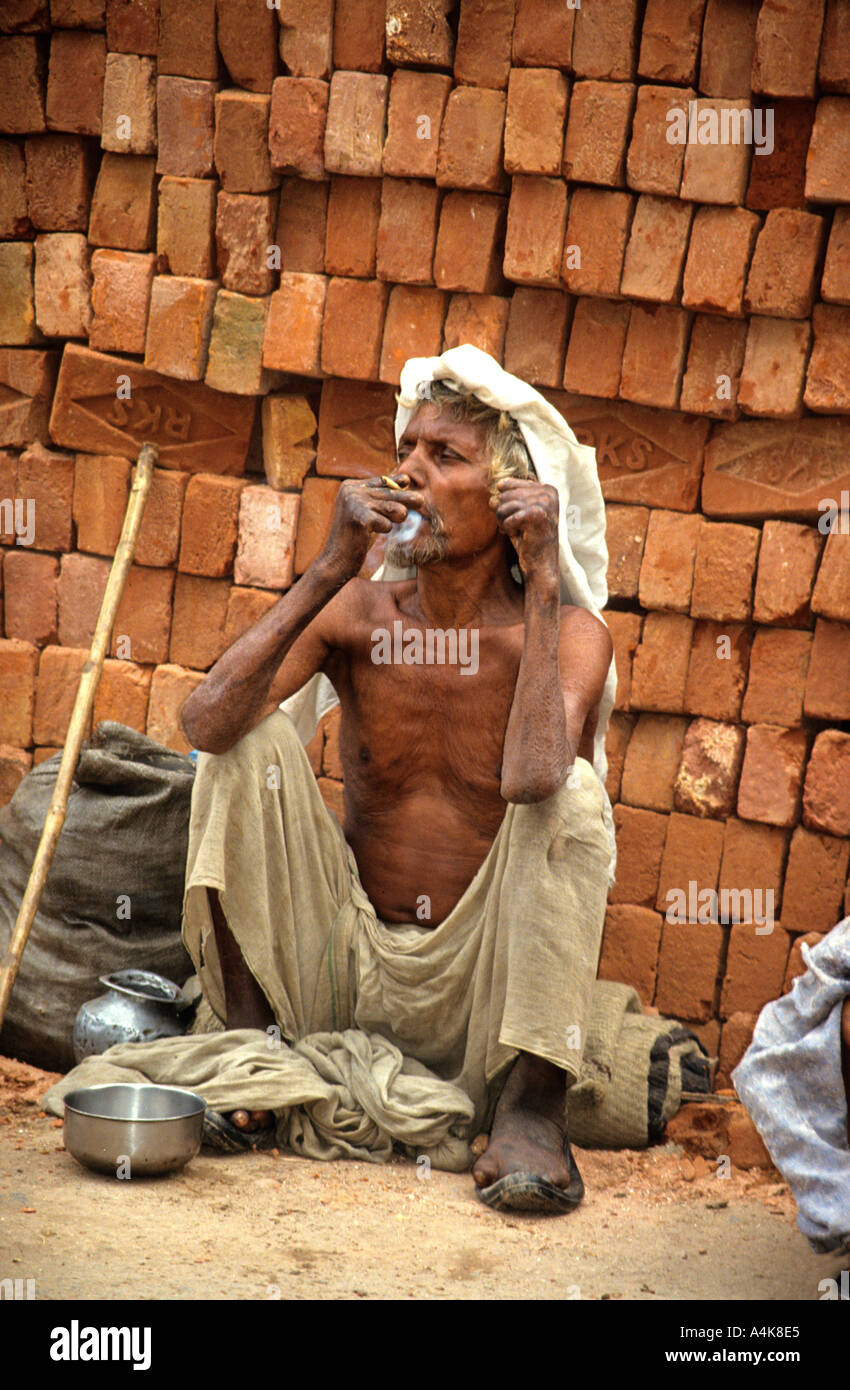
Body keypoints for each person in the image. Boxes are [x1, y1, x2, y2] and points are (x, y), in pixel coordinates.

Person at [179, 347, 616, 1213]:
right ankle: (250, 1052)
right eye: (406, 450)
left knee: (571, 796)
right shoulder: (359, 613)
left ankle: (532, 1109)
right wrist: (331, 567)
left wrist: (542, 586)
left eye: (442, 457)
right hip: (343, 966)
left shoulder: (569, 635)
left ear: (512, 500)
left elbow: (533, 778)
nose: (406, 474)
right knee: (248, 748)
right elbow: (204, 724)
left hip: (478, 989)